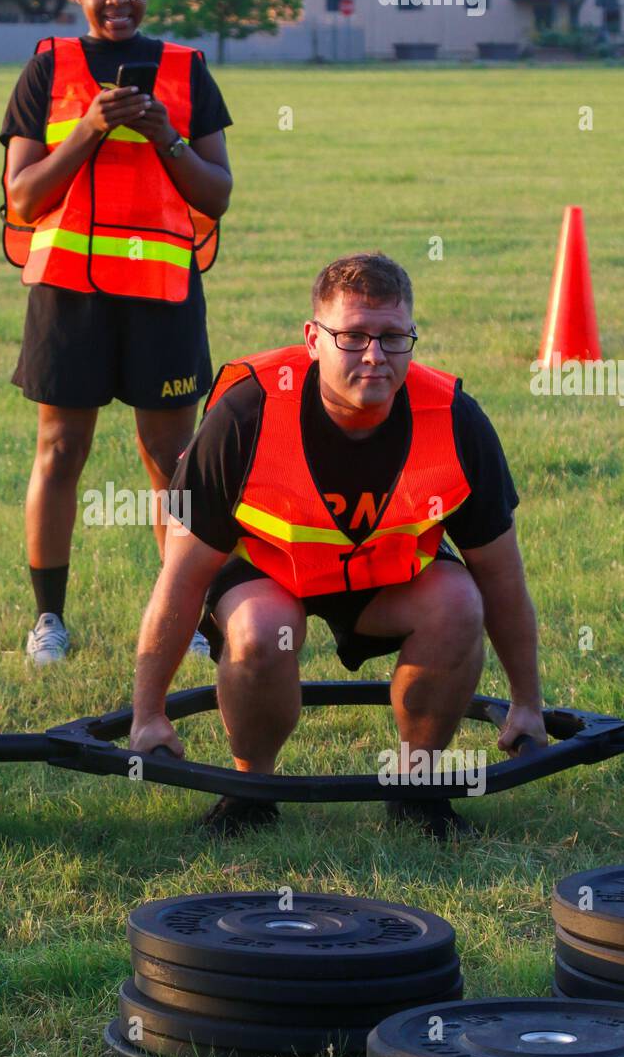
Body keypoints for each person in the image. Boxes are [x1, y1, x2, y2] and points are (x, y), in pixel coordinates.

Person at [128, 252, 549, 838]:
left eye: (393, 337)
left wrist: (527, 700)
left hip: (385, 580)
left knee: (459, 603)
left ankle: (418, 786)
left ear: (412, 337)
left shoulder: (453, 418)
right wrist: (148, 713)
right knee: (259, 632)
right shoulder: (246, 413)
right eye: (352, 336)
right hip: (269, 575)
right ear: (313, 339)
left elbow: (501, 576)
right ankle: (252, 790)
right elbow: (181, 578)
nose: (374, 356)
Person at [0, 0, 233, 665]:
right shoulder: (48, 69)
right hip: (69, 297)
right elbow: (24, 198)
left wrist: (164, 132)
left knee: (174, 464)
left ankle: (186, 617)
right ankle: (49, 622)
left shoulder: (187, 71)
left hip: (161, 297)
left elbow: (218, 193)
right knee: (60, 450)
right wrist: (89, 129)